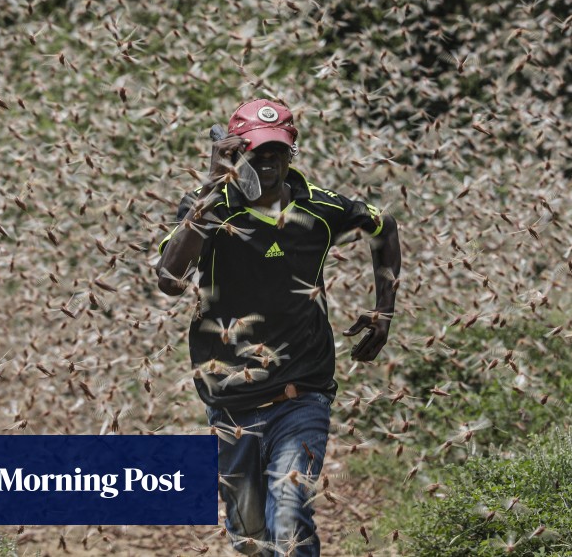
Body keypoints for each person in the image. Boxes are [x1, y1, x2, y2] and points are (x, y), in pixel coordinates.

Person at [155, 99, 401, 556]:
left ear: (292, 152)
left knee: (288, 518)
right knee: (251, 539)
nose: (266, 161)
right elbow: (169, 280)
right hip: (230, 403)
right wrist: (212, 188)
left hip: (301, 393)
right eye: (254, 152)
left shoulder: (322, 209)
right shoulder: (208, 210)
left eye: (276, 151)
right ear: (234, 153)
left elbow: (383, 226)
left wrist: (383, 310)